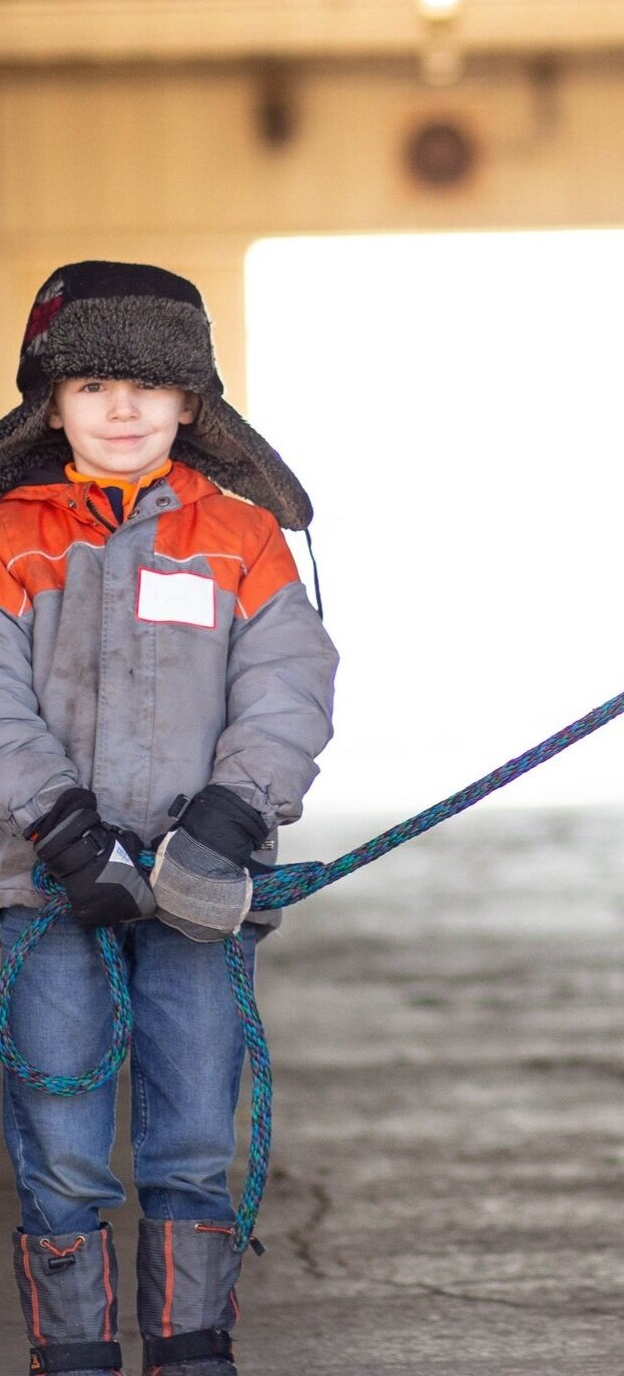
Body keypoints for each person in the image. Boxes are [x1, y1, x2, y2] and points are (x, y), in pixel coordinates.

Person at [0, 262, 338, 1376]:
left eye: (151, 385)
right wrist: (60, 824)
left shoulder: (243, 538)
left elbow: (287, 684)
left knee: (194, 1137)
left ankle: (193, 1350)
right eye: (94, 383)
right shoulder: (8, 535)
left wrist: (232, 817)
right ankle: (77, 1355)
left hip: (200, 891)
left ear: (193, 402)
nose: (124, 407)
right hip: (47, 889)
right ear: (51, 403)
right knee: (63, 1147)